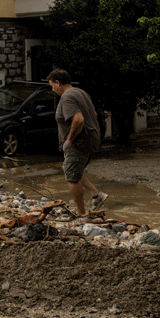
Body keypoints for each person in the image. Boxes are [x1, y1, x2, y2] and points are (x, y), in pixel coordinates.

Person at [47, 69, 106, 216]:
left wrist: (69, 140)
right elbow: (93, 114)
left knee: (72, 178)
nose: (52, 90)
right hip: (92, 140)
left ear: (58, 83)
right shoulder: (81, 92)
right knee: (68, 168)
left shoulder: (67, 97)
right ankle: (96, 194)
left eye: (52, 86)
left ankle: (81, 214)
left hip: (79, 143)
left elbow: (78, 119)